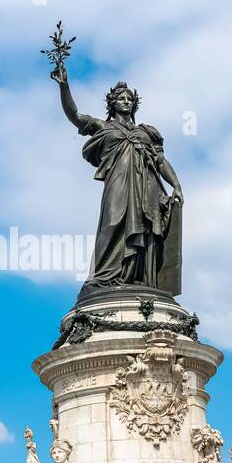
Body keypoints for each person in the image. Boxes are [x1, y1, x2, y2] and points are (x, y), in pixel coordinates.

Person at [53, 65, 183, 295]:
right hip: (119, 183)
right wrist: (64, 86)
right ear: (112, 103)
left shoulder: (146, 132)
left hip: (147, 186)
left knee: (145, 229)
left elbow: (161, 161)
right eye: (121, 98)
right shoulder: (104, 127)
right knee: (112, 223)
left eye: (129, 99)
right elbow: (75, 115)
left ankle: (139, 278)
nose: (126, 101)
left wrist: (176, 185)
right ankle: (104, 277)